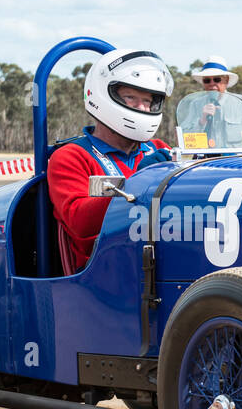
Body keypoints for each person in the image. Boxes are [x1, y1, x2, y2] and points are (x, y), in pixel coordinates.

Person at [47, 49, 174, 272]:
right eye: (131, 98)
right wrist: (136, 182)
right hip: (104, 273)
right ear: (103, 96)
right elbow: (80, 222)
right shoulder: (71, 156)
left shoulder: (158, 148)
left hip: (160, 257)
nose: (142, 107)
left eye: (148, 100)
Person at [180, 56, 242, 150]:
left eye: (217, 79)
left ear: (226, 80)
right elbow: (184, 139)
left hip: (238, 162)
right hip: (205, 162)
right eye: (207, 80)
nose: (212, 83)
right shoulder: (195, 105)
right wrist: (202, 121)